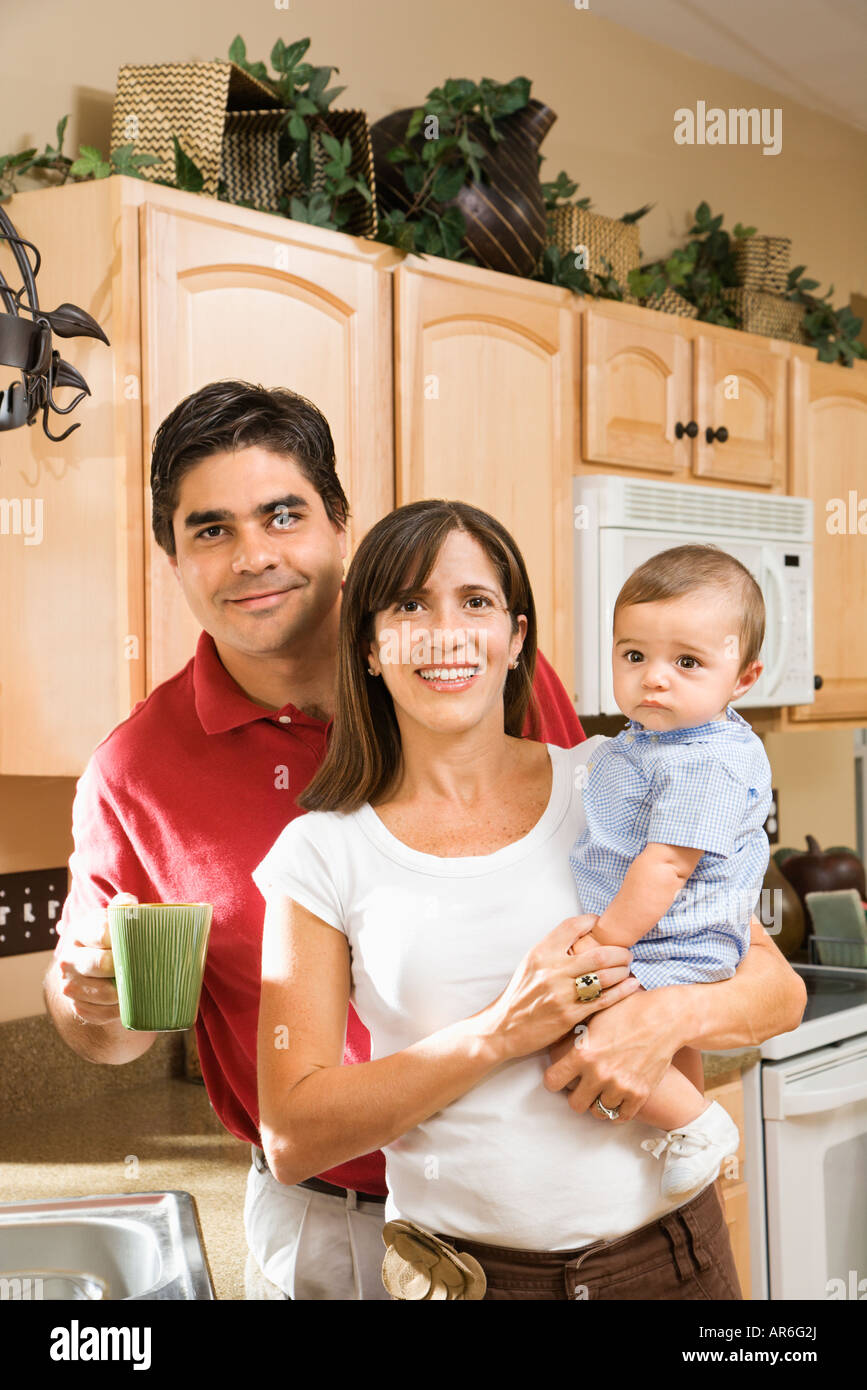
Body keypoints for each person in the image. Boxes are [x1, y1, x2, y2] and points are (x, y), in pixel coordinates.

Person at [41, 380, 585, 1302]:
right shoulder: (135, 772)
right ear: (170, 554)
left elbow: (609, 907)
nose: (254, 556)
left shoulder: (483, 680)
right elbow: (115, 1036)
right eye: (211, 529)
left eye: (282, 514)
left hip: (545, 1192)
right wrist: (87, 992)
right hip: (329, 1225)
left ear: (340, 524)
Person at [253, 499, 807, 1301]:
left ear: (514, 639)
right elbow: (292, 1137)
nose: (445, 633)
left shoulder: (614, 780)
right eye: (409, 604)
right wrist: (500, 1033)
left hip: (670, 1263)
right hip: (464, 1281)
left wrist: (665, 1018)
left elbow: (776, 992)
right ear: (370, 647)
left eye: (475, 603)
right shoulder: (321, 853)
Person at [568, 544, 774, 1200]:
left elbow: (664, 864)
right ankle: (681, 1121)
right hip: (669, 936)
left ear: (741, 678)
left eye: (686, 662)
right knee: (662, 1043)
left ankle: (699, 1126)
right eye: (634, 656)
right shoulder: (660, 738)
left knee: (579, 1028)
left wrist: (607, 944)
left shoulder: (702, 761)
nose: (654, 678)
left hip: (671, 939)